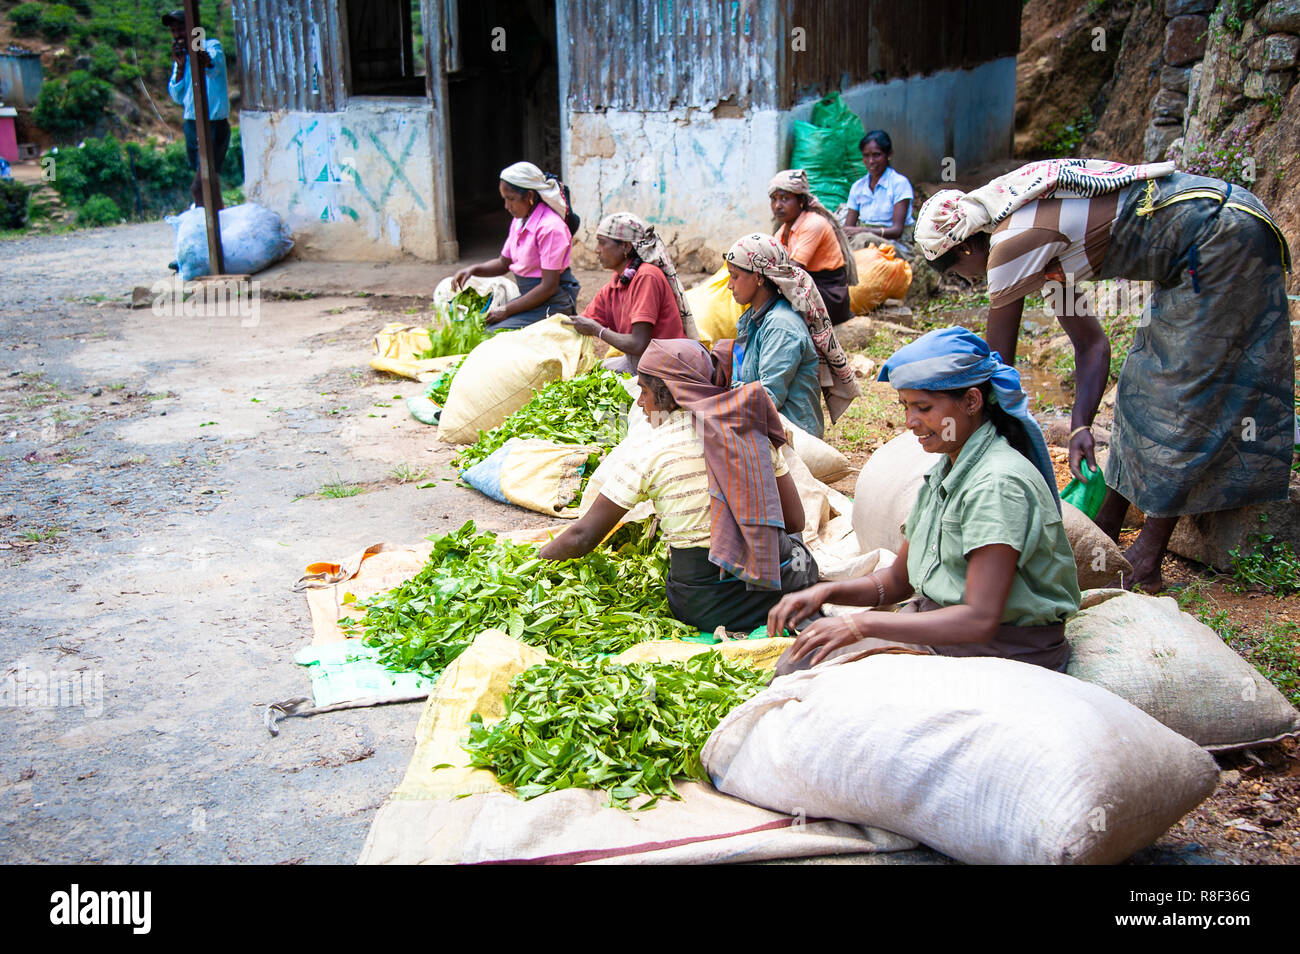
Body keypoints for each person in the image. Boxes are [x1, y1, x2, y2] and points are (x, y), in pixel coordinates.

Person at [915, 158, 1294, 592]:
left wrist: (978, 445)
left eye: (958, 273)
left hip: (1224, 237)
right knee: (1140, 385)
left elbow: (996, 369)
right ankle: (1108, 527)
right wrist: (1080, 425)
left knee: (1180, 391)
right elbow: (1092, 344)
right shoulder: (1028, 238)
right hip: (1203, 245)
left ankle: (1146, 561)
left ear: (964, 248)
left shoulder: (1010, 245)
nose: (969, 281)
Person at [768, 326, 1082, 675]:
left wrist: (862, 626)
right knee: (802, 658)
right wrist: (823, 593)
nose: (910, 422)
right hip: (946, 627)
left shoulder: (996, 485)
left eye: (923, 407)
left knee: (813, 670)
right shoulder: (946, 473)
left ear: (972, 402)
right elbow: (897, 582)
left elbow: (979, 618)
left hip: (1000, 647)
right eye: (905, 407)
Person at [538, 339, 818, 633]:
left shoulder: (648, 448)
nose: (639, 402)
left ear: (667, 394)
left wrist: (536, 560)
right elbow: (795, 520)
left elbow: (582, 536)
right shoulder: (747, 427)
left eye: (644, 391)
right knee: (799, 554)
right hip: (779, 590)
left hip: (702, 605)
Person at [720, 233, 860, 440]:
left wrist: (719, 394)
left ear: (758, 277)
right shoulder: (756, 317)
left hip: (792, 436)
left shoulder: (781, 326)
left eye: (735, 276)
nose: (730, 285)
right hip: (766, 426)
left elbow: (767, 399)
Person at [451, 161, 581, 330]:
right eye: (504, 199)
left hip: (552, 302)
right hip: (530, 299)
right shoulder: (520, 221)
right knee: (479, 327)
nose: (506, 206)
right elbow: (503, 263)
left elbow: (548, 287)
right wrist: (473, 270)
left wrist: (506, 310)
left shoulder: (550, 228)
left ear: (529, 197)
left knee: (491, 334)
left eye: (511, 199)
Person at [564, 212, 698, 373]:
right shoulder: (616, 283)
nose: (596, 250)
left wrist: (597, 330)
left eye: (602, 243)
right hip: (640, 361)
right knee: (588, 372)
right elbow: (581, 322)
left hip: (666, 366)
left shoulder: (647, 277)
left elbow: (638, 343)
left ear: (626, 247)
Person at [768, 169, 858, 325]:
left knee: (775, 307)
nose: (777, 205)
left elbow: (792, 270)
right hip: (807, 289)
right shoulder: (783, 231)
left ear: (801, 201)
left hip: (828, 296)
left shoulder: (814, 224)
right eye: (774, 199)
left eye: (785, 199)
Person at [163, 9, 230, 211]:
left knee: (200, 184)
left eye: (182, 29)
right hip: (192, 123)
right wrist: (181, 66)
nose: (178, 35)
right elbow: (176, 95)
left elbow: (213, 66)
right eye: (174, 31)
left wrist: (197, 49)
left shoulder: (212, 46)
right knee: (209, 181)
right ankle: (216, 217)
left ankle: (206, 219)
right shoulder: (181, 59)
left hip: (213, 124)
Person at [843, 130, 914, 254]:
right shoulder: (858, 187)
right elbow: (848, 228)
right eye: (866, 155)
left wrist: (862, 231)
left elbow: (897, 231)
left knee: (862, 241)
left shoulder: (899, 184)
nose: (871, 161)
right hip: (863, 243)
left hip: (894, 246)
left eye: (877, 155)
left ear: (889, 154)